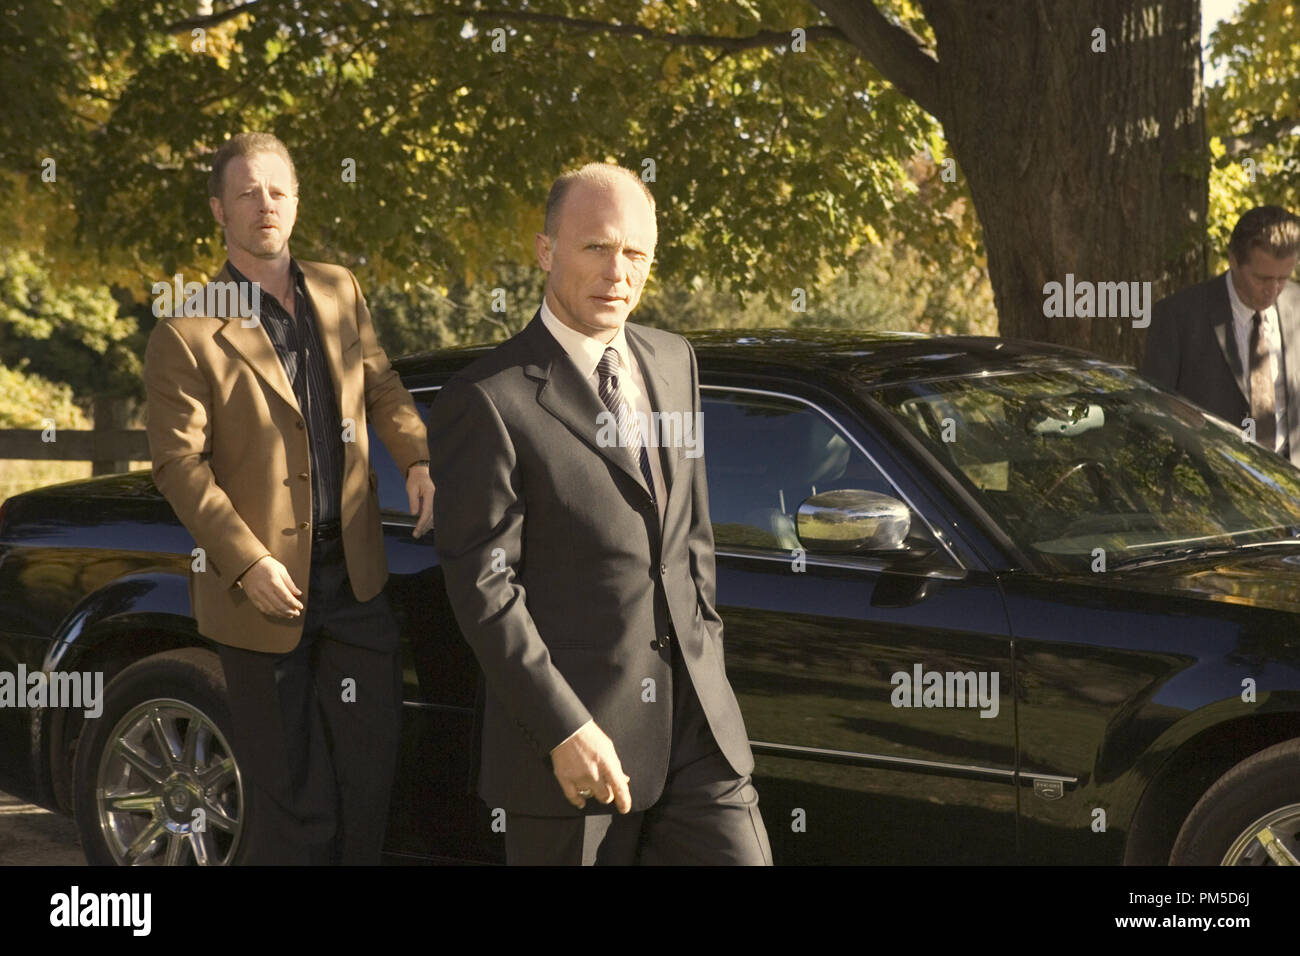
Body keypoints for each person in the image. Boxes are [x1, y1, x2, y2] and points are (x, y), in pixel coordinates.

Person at [430, 163, 771, 865]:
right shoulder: (488, 399)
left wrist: (708, 659)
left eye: (636, 253)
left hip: (699, 737)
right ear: (546, 251)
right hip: (575, 754)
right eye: (597, 247)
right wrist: (563, 729)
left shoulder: (674, 362)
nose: (619, 272)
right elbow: (486, 590)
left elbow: (690, 539)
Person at [143, 132, 434, 864]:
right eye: (246, 192)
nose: (264, 204)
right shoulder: (186, 328)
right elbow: (179, 465)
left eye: (277, 190)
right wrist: (245, 563)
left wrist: (420, 460)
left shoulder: (339, 290)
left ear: (297, 200)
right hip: (260, 595)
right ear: (220, 209)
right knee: (292, 803)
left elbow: (384, 387)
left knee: (369, 784)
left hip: (356, 579)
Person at [1143, 205, 1300, 464]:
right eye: (1262, 279)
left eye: (1283, 278)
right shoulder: (1178, 316)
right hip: (1206, 487)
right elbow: (1153, 412)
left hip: (1287, 492)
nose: (1273, 290)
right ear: (1234, 260)